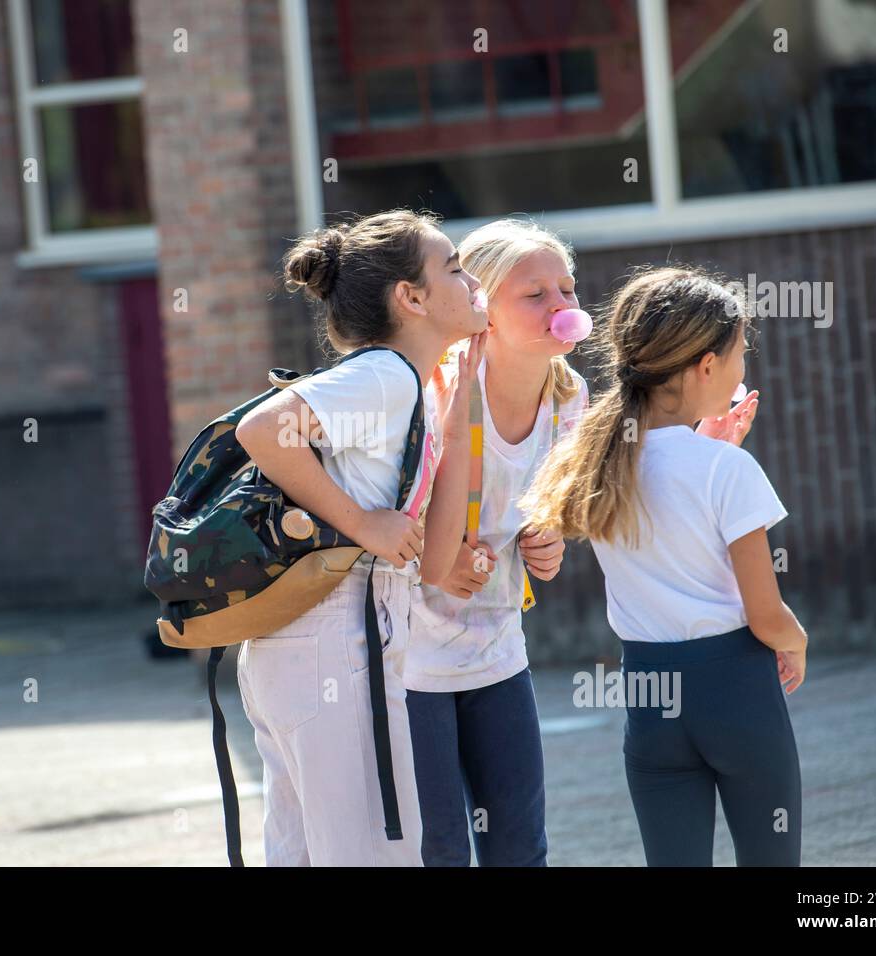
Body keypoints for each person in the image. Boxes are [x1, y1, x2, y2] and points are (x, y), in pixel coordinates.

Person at [519, 266, 802, 866]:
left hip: (649, 695)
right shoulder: (726, 472)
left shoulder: (599, 466)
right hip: (736, 692)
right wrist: (796, 639)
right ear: (705, 365)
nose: (741, 368)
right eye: (738, 354)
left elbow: (668, 501)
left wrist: (710, 448)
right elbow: (765, 614)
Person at [233, 209, 487, 865]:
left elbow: (431, 565)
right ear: (411, 297)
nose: (470, 279)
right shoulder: (385, 375)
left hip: (321, 639)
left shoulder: (414, 388)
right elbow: (263, 430)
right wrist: (362, 521)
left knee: (308, 854)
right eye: (454, 267)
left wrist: (457, 424)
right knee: (371, 856)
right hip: (334, 641)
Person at [405, 219, 588, 866]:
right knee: (441, 849)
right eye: (534, 294)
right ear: (481, 306)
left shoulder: (571, 400)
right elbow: (392, 512)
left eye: (566, 289)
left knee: (519, 845)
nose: (561, 305)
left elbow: (541, 514)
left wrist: (550, 542)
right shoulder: (436, 392)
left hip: (498, 650)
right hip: (412, 660)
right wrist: (438, 551)